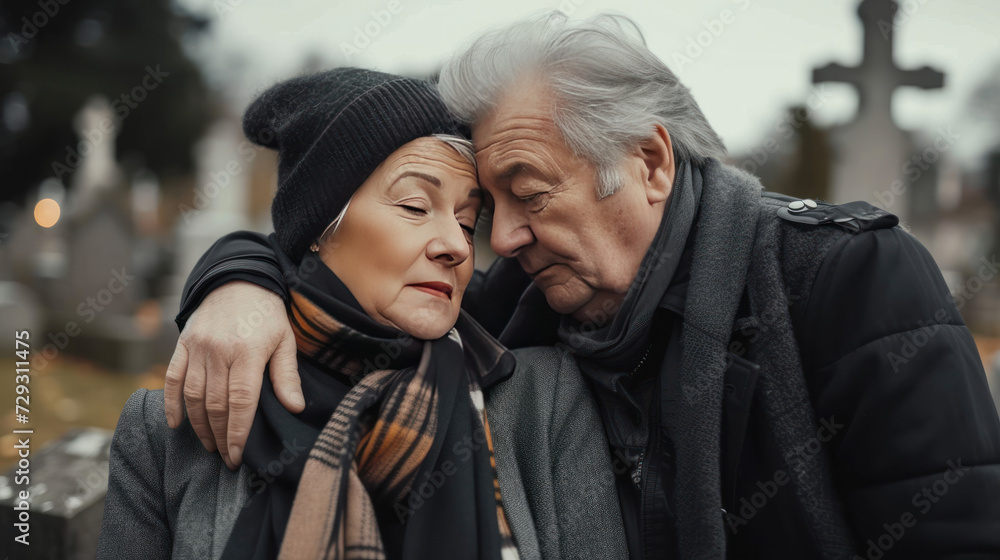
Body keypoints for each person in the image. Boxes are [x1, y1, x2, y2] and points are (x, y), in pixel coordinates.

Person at [165, 14, 1000, 560]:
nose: (502, 239)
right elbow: (335, 255)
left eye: (529, 192)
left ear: (649, 161)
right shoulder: (524, 304)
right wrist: (235, 282)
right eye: (489, 208)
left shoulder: (847, 281)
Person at [97, 67, 626, 560]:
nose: (456, 246)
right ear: (321, 229)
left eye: (468, 222)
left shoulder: (545, 402)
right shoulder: (172, 427)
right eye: (416, 207)